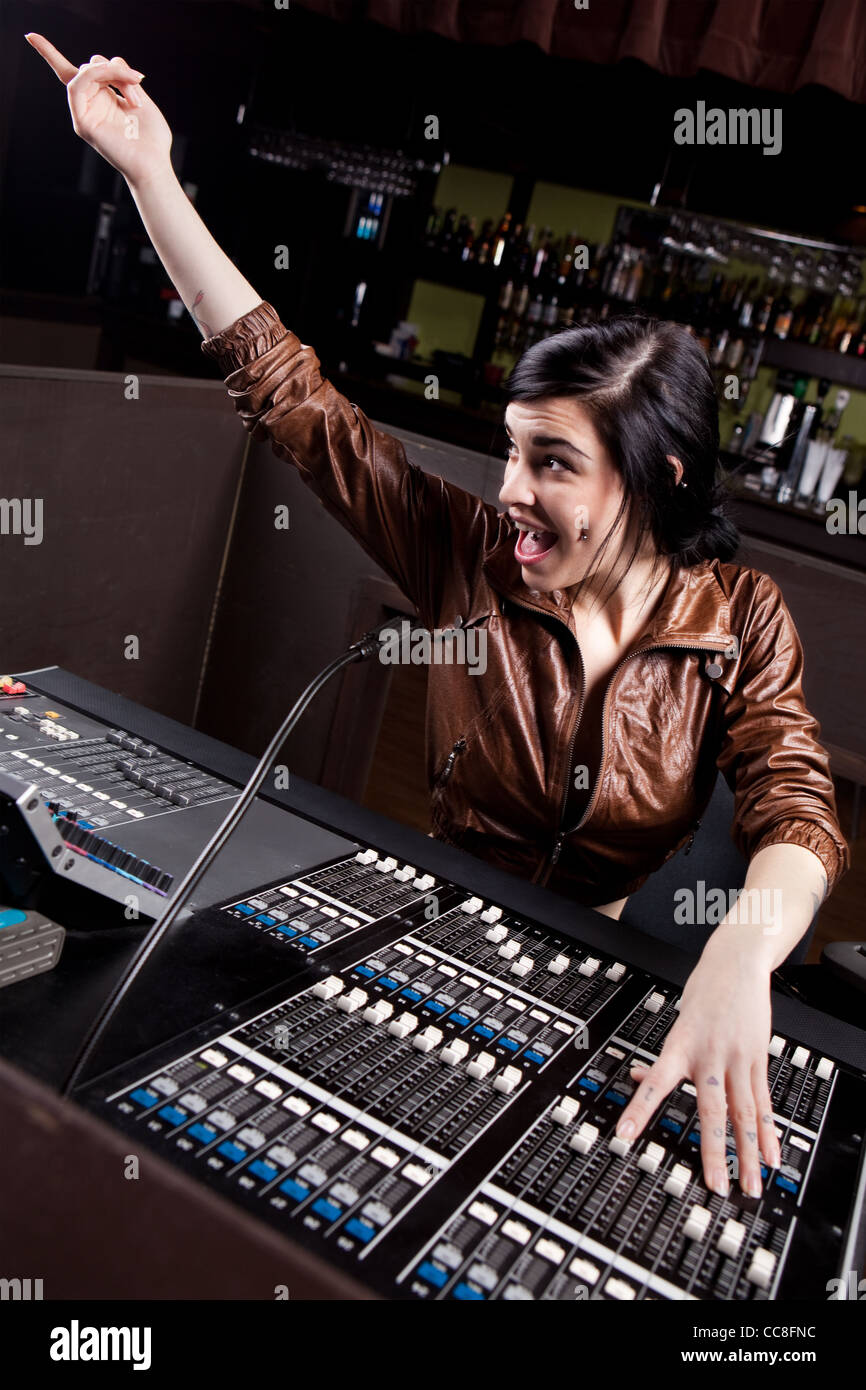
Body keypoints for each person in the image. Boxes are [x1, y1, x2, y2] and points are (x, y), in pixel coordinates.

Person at [26, 34, 849, 1205]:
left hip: (605, 959)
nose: (510, 490)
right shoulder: (465, 545)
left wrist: (739, 955)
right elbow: (288, 392)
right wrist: (150, 173)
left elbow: (796, 805)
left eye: (552, 463)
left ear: (658, 477)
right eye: (512, 453)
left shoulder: (740, 615)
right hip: (423, 918)